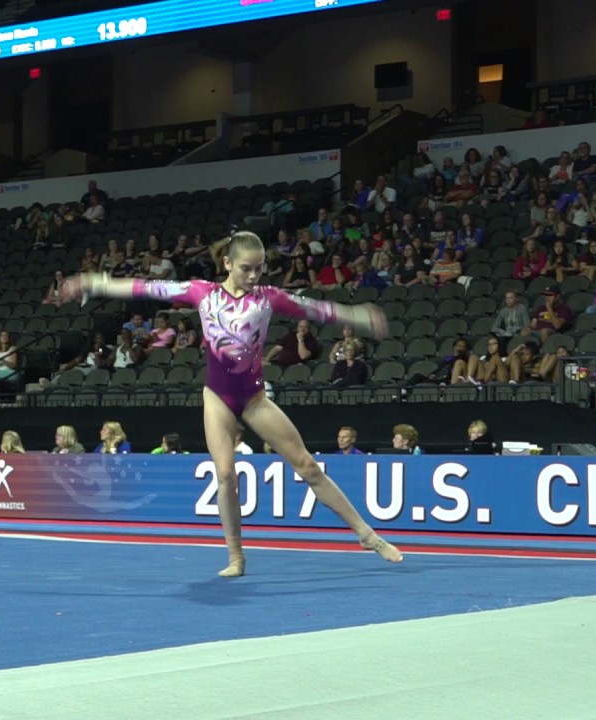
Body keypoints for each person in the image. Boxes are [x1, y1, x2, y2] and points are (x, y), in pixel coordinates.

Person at [58, 231, 402, 576]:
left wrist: (357, 315)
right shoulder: (202, 292)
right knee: (225, 474)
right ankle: (236, 556)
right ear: (227, 263)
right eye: (246, 269)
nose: (254, 276)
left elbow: (318, 309)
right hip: (217, 398)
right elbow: (144, 287)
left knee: (308, 466)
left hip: (253, 398)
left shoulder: (268, 298)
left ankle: (366, 535)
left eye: (260, 269)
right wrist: (94, 281)